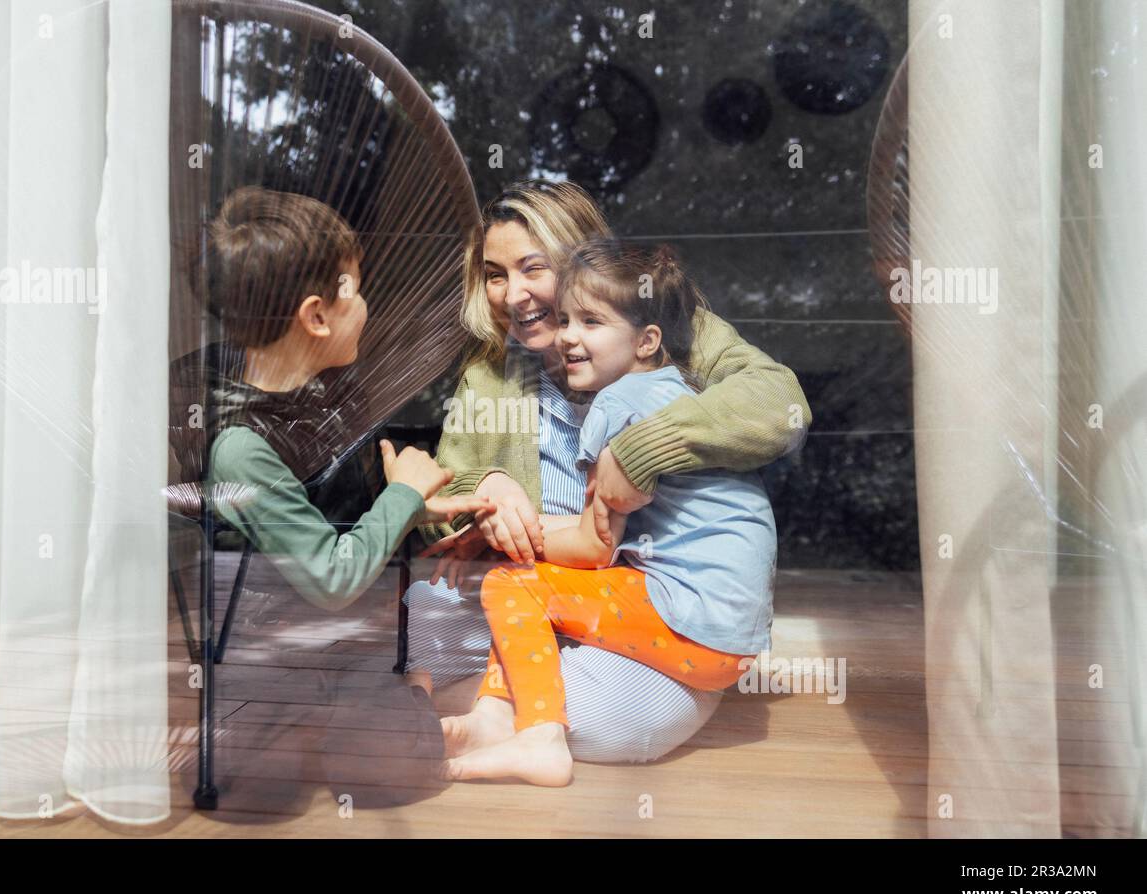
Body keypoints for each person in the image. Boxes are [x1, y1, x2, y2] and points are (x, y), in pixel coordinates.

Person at [405, 180, 809, 764]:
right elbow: (438, 501)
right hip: (564, 584)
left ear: (575, 261)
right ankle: (532, 694)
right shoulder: (490, 374)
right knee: (426, 607)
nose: (512, 294)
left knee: (622, 721)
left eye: (531, 267)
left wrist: (642, 449)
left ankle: (503, 701)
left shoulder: (664, 324)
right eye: (495, 274)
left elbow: (780, 403)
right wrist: (483, 492)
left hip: (653, 597)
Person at [198, 186, 493, 610]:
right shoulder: (242, 448)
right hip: (279, 661)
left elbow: (336, 528)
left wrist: (407, 508)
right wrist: (402, 495)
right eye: (355, 290)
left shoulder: (319, 404)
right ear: (316, 316)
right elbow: (332, 579)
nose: (365, 306)